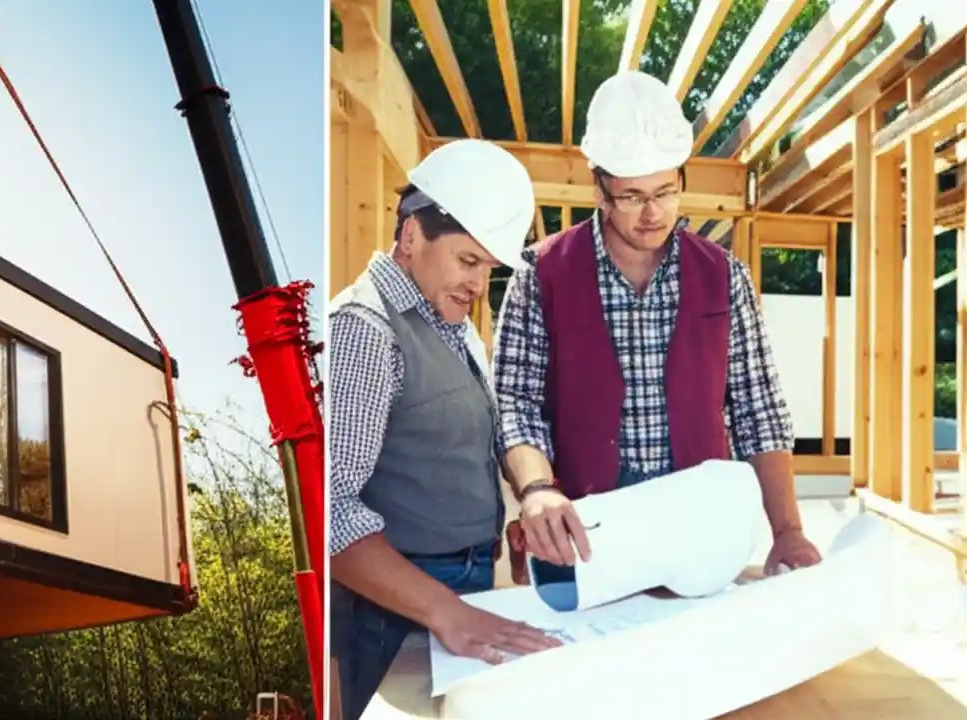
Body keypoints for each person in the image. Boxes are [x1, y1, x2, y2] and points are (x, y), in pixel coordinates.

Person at [493, 70, 822, 584]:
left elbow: (758, 408)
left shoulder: (725, 276)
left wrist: (788, 530)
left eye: (666, 192)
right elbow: (515, 403)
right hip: (585, 524)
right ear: (599, 189)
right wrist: (537, 490)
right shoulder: (541, 274)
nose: (652, 214)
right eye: (632, 197)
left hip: (699, 521)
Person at [328, 139, 561, 720]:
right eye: (467, 260)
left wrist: (516, 506)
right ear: (411, 235)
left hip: (459, 586)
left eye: (488, 267)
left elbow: (464, 434)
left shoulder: (452, 323)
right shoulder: (365, 331)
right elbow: (328, 510)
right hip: (395, 611)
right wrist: (446, 612)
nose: (479, 285)